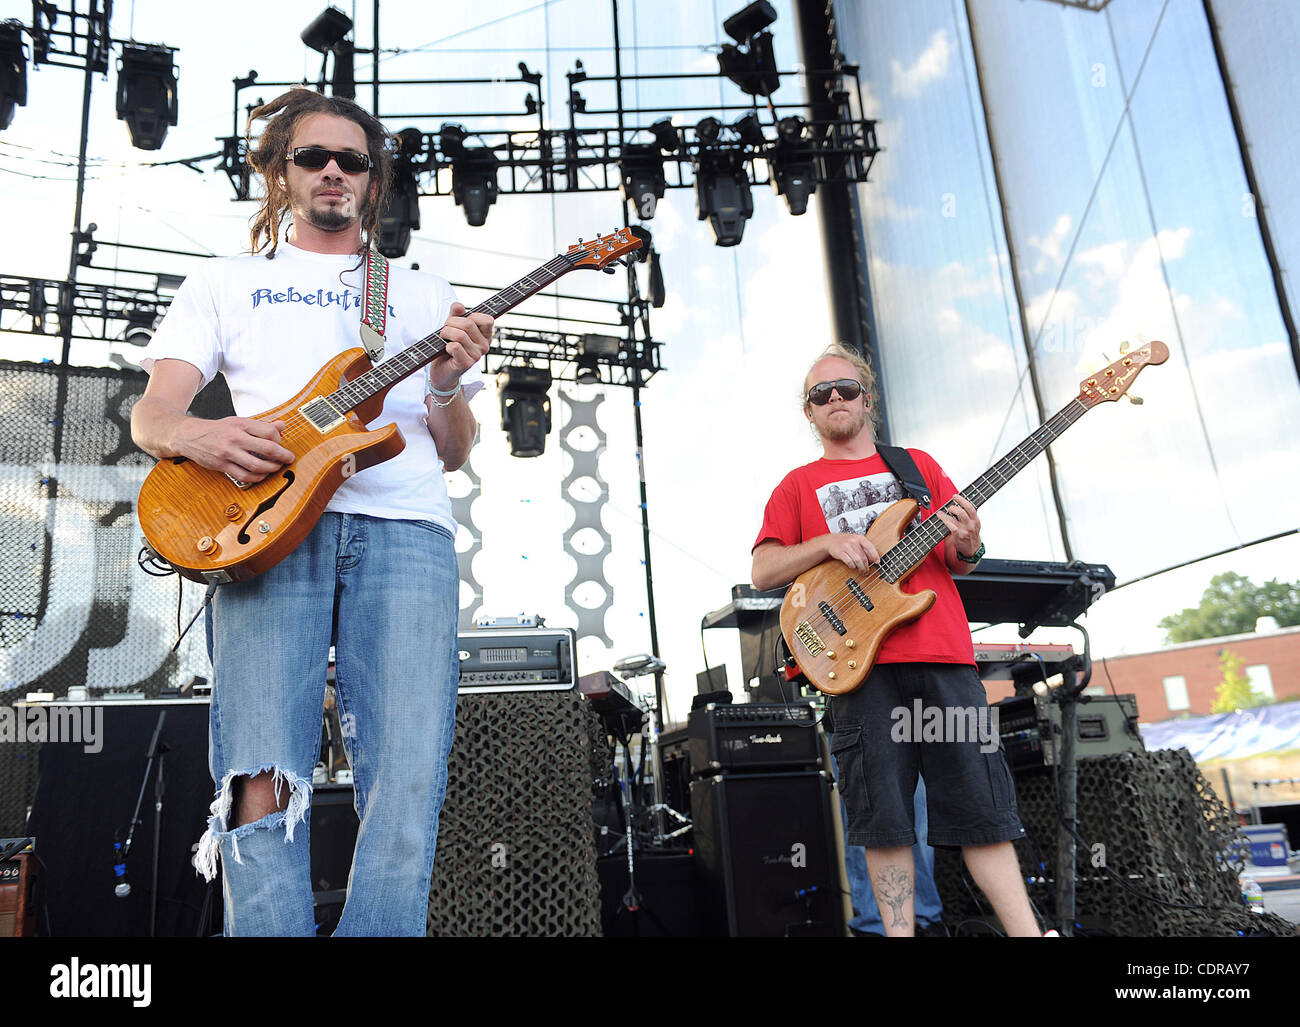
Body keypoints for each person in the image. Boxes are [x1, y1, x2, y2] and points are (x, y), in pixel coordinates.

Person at [130, 89, 494, 936]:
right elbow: (154, 418)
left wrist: (444, 385)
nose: (334, 172)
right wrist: (209, 438)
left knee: (406, 773)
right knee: (263, 769)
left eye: (353, 161)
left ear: (373, 182)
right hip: (265, 528)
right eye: (313, 158)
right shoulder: (226, 281)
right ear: (280, 172)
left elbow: (452, 448)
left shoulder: (416, 289)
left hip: (406, 534)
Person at [751, 343, 1041, 937]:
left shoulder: (917, 467)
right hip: (859, 671)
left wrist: (969, 539)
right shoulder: (797, 486)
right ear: (808, 413)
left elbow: (961, 561)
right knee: (882, 821)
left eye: (846, 388)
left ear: (867, 398)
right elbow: (764, 570)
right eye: (820, 394)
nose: (835, 399)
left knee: (981, 808)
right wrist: (828, 544)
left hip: (943, 661)